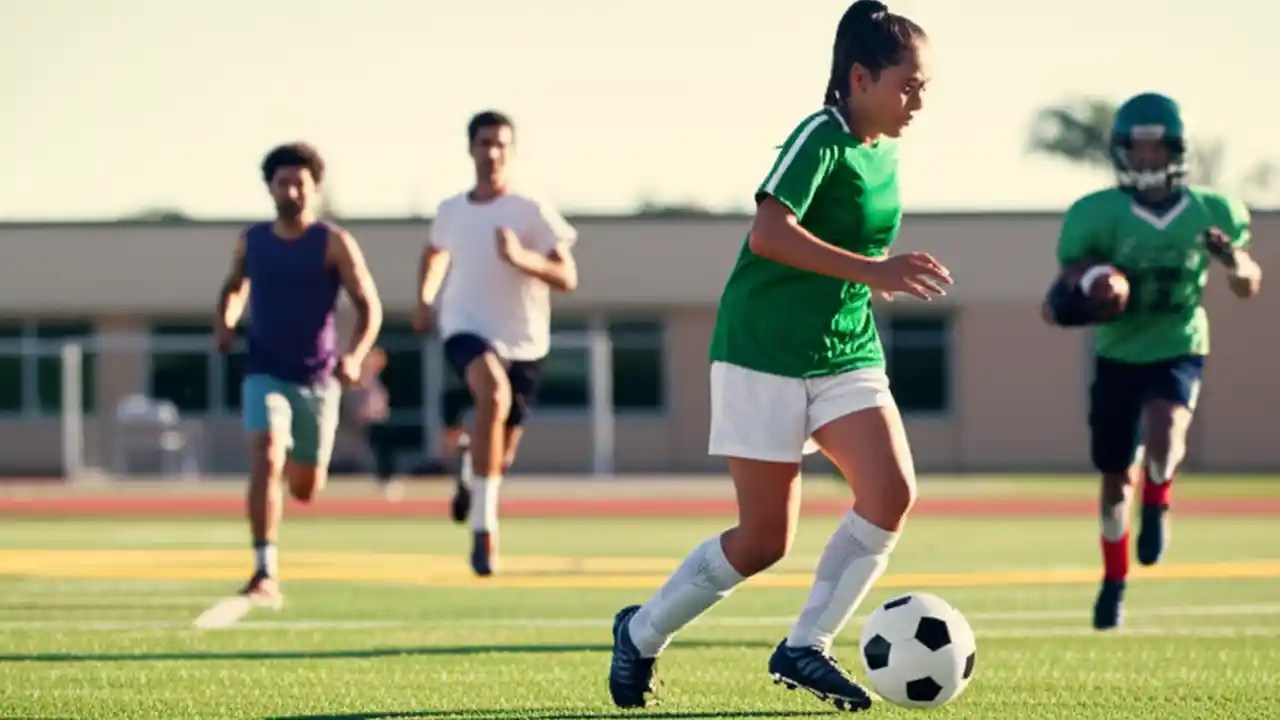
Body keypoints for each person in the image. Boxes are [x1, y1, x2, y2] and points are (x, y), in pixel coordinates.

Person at [607, 1, 950, 711]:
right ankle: (640, 632)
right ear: (860, 78)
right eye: (908, 85)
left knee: (891, 494)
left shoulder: (887, 152)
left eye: (925, 86)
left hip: (845, 351)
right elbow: (769, 233)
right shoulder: (819, 135)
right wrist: (873, 270)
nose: (920, 100)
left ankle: (806, 646)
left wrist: (868, 276)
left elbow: (849, 254)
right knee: (765, 541)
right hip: (761, 352)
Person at [1042, 92, 1263, 630]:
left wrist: (1232, 260)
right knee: (1116, 479)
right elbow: (1061, 292)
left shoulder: (1214, 210)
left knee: (1166, 433)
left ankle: (1159, 500)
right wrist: (1081, 298)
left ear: (1175, 151)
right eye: (1136, 150)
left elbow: (1248, 284)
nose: (1145, 160)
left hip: (1178, 341)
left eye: (1154, 149)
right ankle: (1113, 584)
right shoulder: (1095, 213)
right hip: (1118, 351)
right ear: (1122, 152)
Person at [215, 141, 383, 607]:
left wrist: (354, 356)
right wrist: (226, 322)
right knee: (266, 453)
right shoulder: (253, 242)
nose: (292, 190)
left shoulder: (332, 242)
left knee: (306, 489)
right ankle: (264, 567)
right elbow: (233, 288)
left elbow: (370, 307)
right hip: (263, 370)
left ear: (314, 188)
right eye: (283, 181)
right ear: (269, 188)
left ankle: (290, 459)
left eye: (300, 182)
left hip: (318, 379)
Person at [413, 110, 580, 577]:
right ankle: (485, 532)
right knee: (493, 393)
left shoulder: (531, 210)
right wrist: (425, 299)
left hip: (525, 341)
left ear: (512, 151)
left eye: (500, 144)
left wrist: (521, 258)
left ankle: (471, 470)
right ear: (470, 149)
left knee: (501, 453)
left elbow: (567, 276)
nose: (491, 153)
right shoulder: (452, 210)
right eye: (483, 143)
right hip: (465, 326)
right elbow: (433, 253)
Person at [344, 347, 401, 498]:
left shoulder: (378, 381)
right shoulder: (363, 380)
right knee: (378, 450)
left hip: (380, 419)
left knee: (385, 451)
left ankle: (386, 477)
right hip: (371, 421)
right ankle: (382, 477)